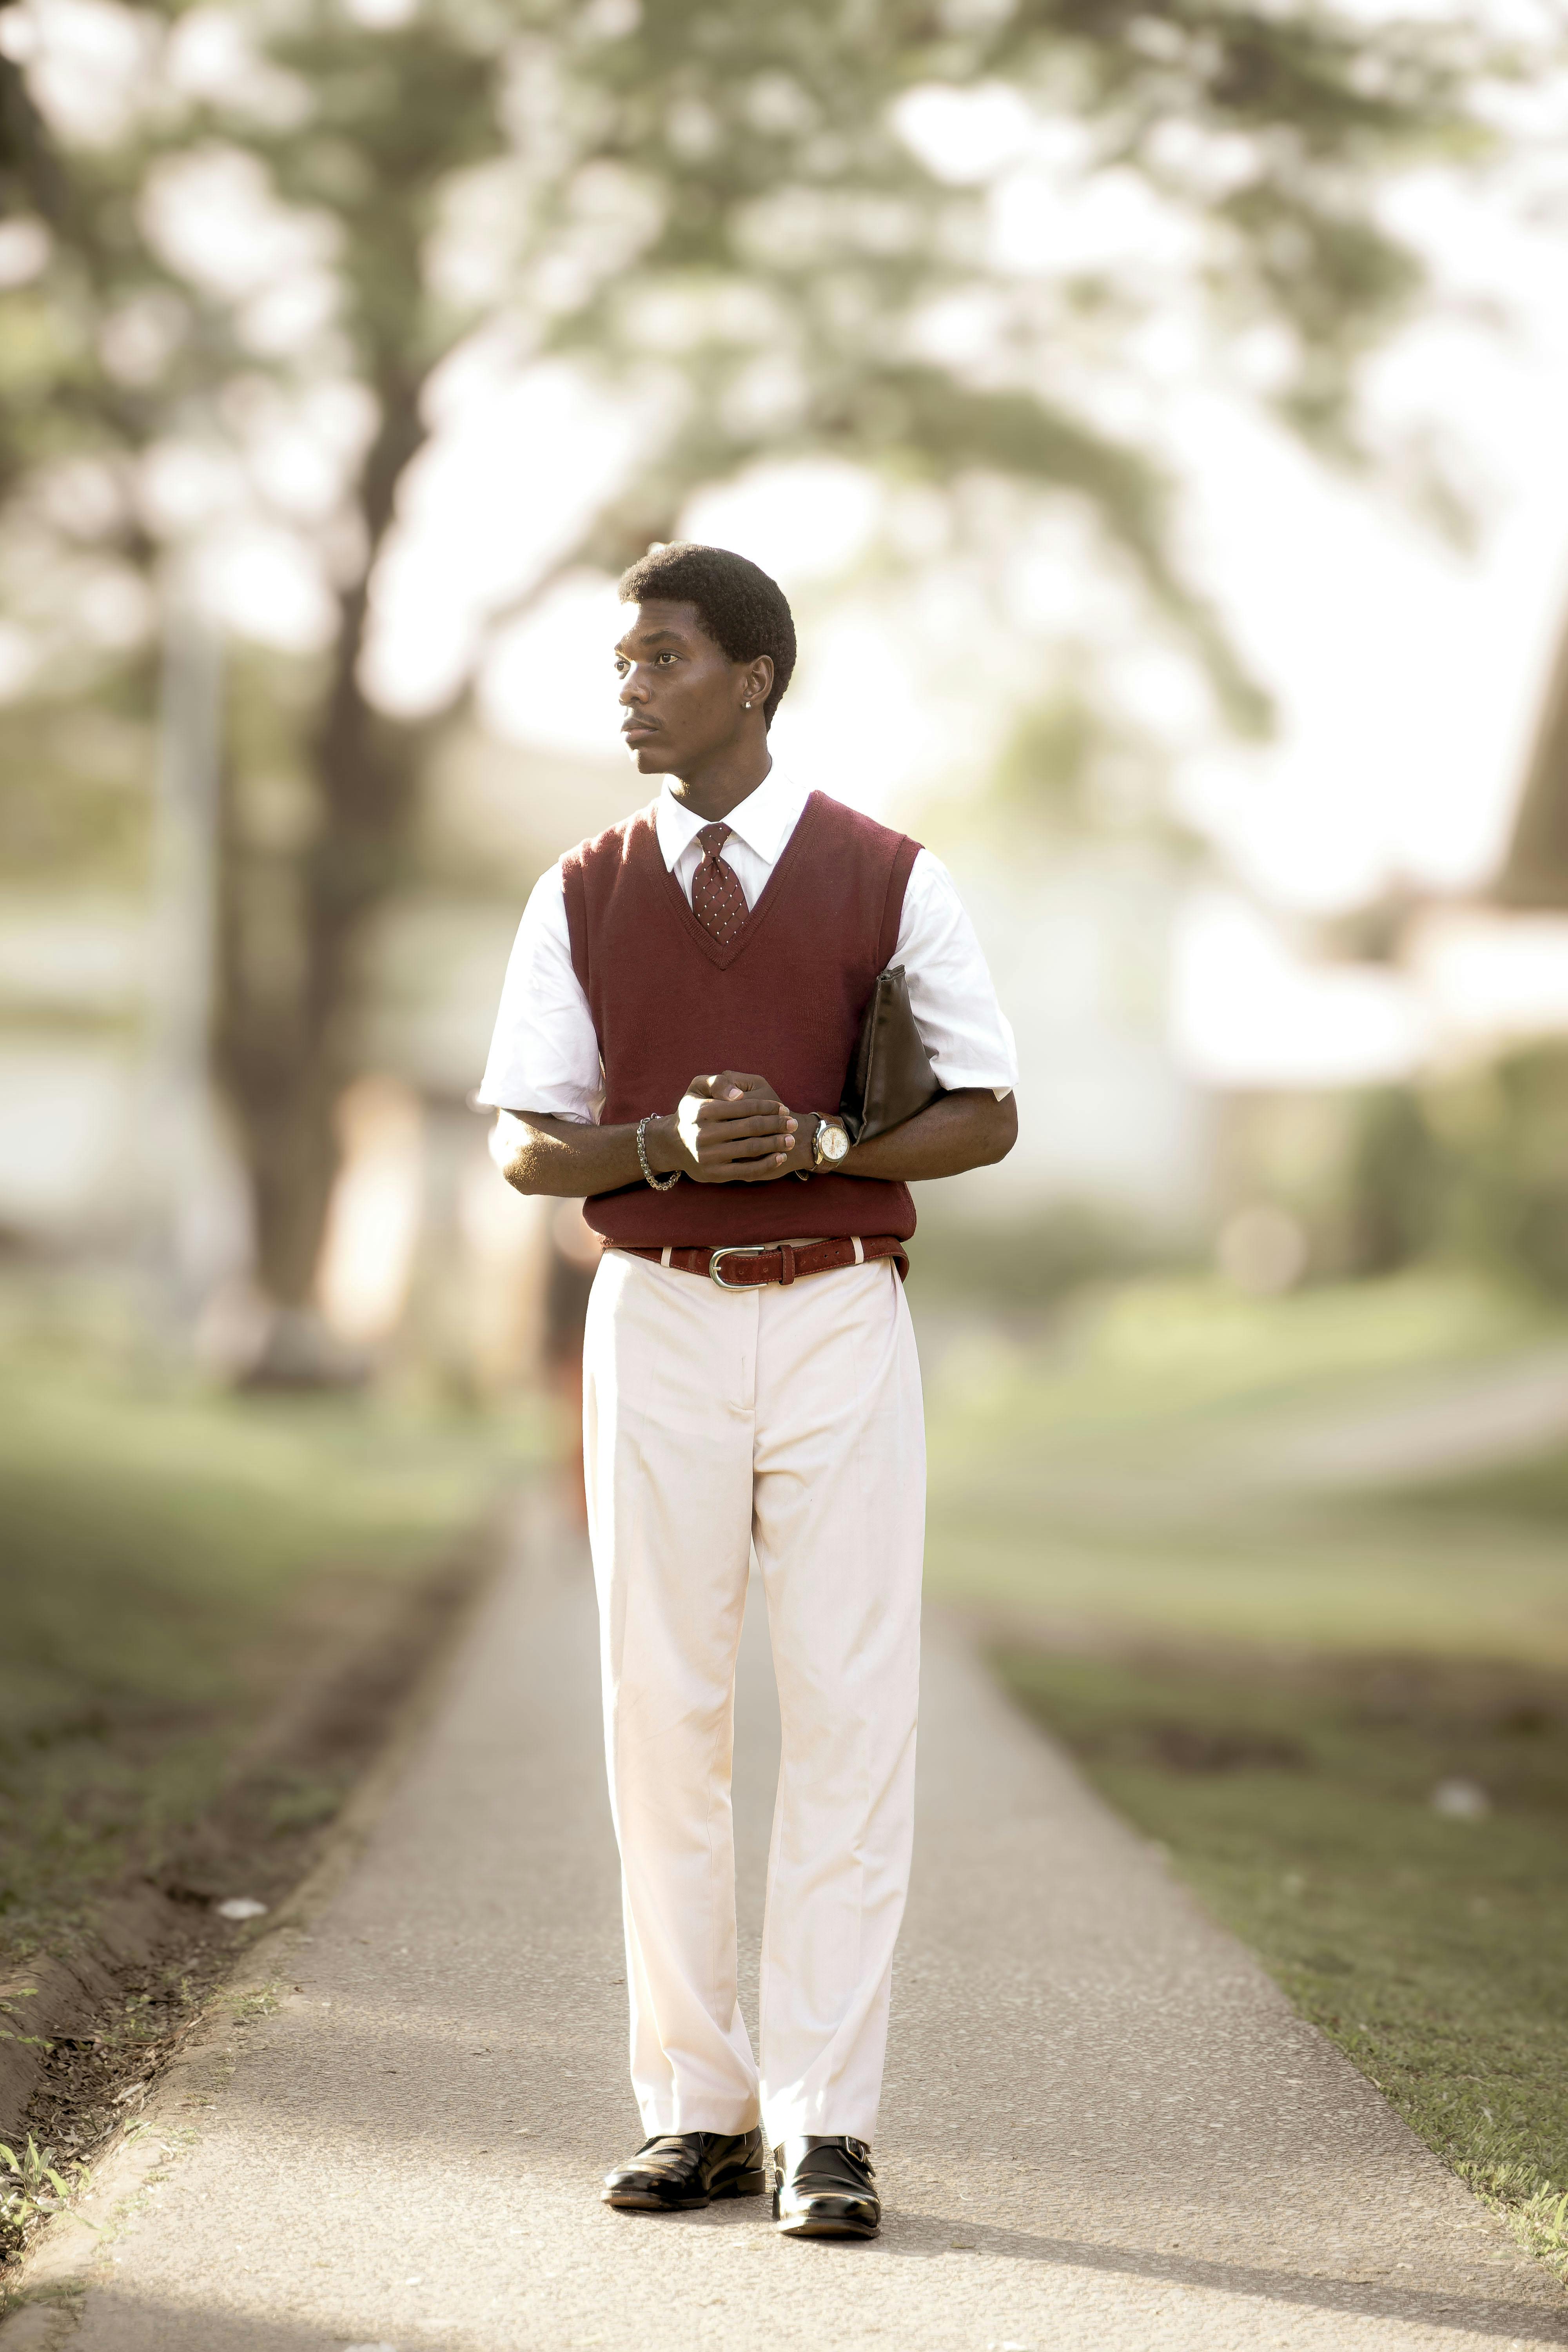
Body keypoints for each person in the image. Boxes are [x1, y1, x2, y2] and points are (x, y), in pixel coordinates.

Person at [478, 542, 1017, 2240]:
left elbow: (988, 1105)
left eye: (658, 659)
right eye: (620, 662)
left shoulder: (888, 877)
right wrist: (652, 1146)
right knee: (665, 1710)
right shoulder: (577, 891)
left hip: (843, 1317)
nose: (626, 685)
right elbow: (520, 1140)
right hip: (657, 1312)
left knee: (853, 1707)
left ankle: (825, 2126)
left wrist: (833, 1136)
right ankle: (694, 2108)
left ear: (752, 679)